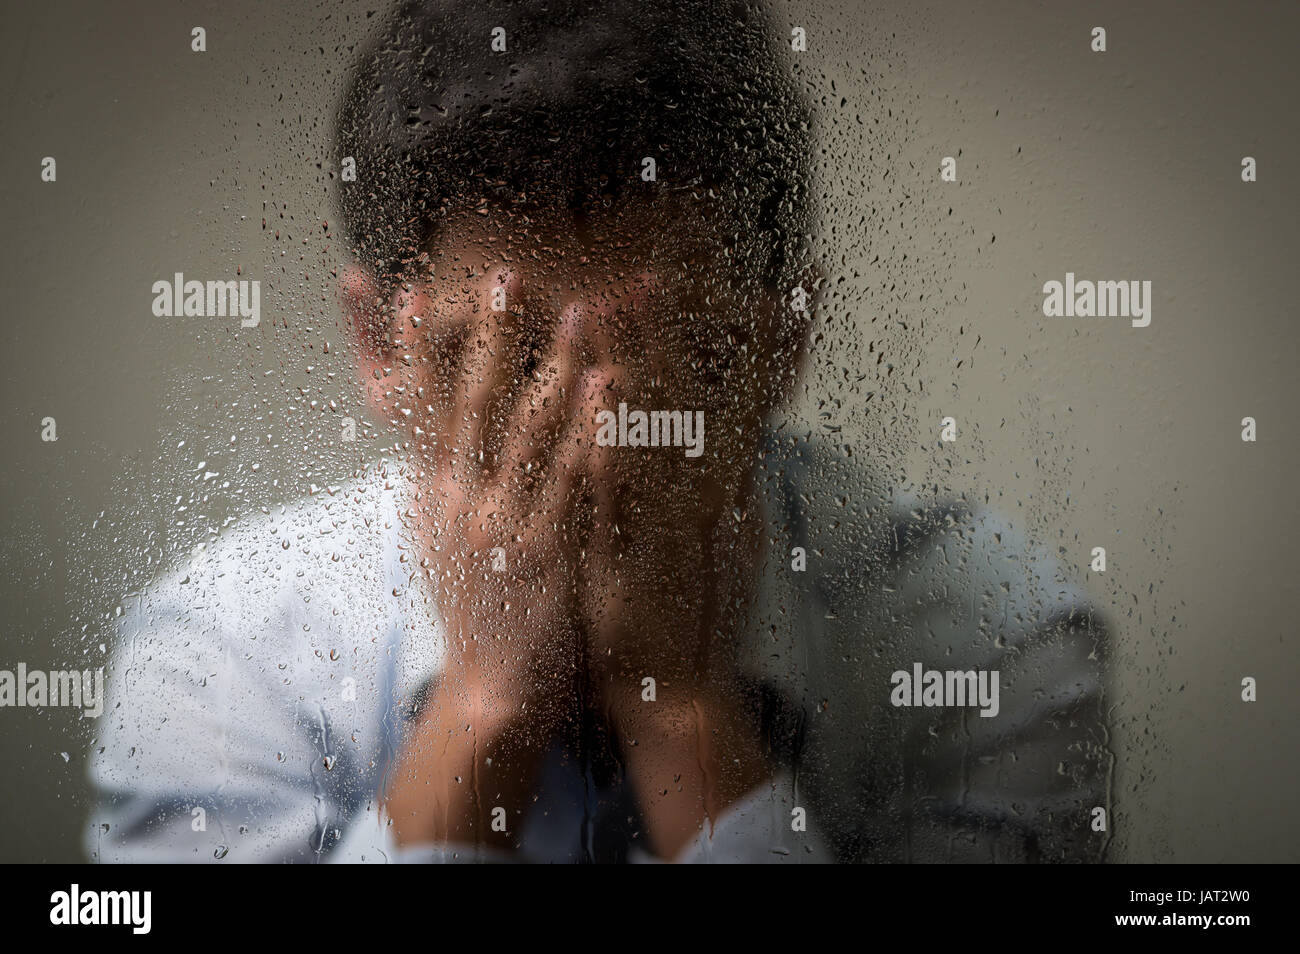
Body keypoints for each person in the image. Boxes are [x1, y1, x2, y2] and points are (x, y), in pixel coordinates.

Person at [86, 0, 1111, 863]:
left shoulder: (993, 640)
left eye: (670, 357)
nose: (597, 443)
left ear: (781, 343)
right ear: (378, 345)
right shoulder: (218, 657)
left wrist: (684, 716)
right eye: (510, 361)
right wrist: (482, 710)